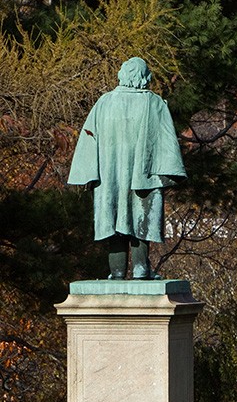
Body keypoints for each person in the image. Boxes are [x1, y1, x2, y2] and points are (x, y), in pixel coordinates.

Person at [68, 57, 186, 280]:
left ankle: (117, 271)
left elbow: (88, 141)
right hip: (143, 175)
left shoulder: (104, 103)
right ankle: (141, 268)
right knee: (142, 221)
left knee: (113, 219)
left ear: (122, 75)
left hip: (109, 177)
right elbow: (167, 142)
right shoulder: (154, 103)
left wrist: (88, 174)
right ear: (145, 78)